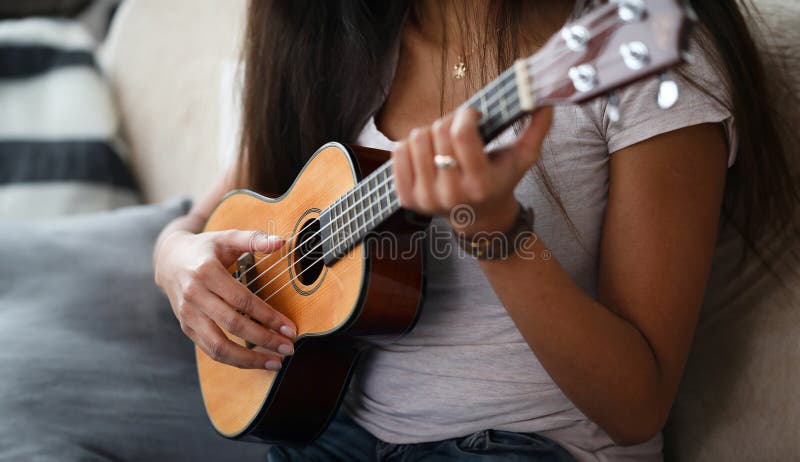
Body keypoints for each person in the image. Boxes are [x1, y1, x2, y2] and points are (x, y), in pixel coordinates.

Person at [153, 1, 797, 460]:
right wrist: (175, 259)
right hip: (321, 433)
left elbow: (637, 407)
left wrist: (494, 230)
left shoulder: (636, 58)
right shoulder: (340, 40)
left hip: (521, 446)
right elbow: (204, 219)